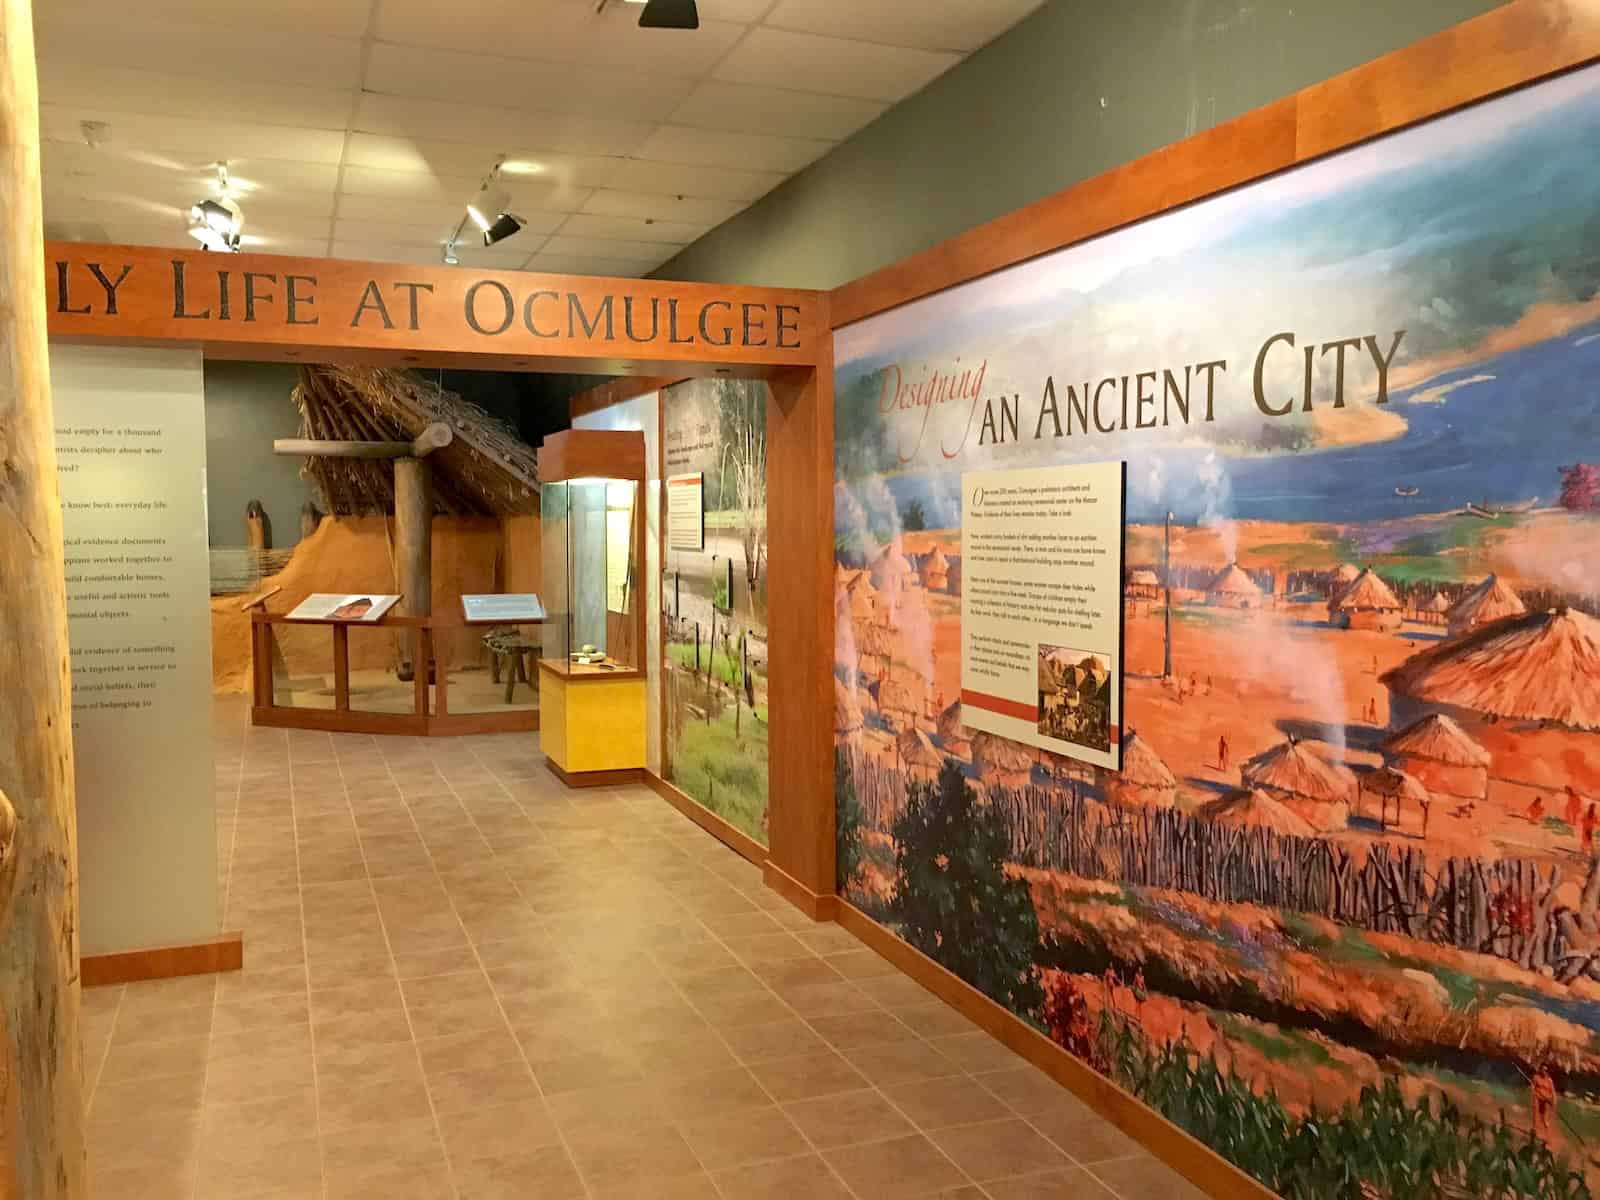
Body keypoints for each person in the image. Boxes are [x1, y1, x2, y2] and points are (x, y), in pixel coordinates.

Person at [1531, 1061, 1557, 1145]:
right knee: (1536, 1117)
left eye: (1545, 1070)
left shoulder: (1549, 1080)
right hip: (1537, 1099)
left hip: (1545, 1101)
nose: (1544, 1071)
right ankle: (1534, 1134)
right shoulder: (1536, 1077)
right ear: (1540, 1069)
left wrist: (1553, 1102)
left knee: (1545, 1120)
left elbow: (1553, 1093)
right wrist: (1535, 1093)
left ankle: (1547, 1137)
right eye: (1542, 1069)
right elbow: (1532, 1087)